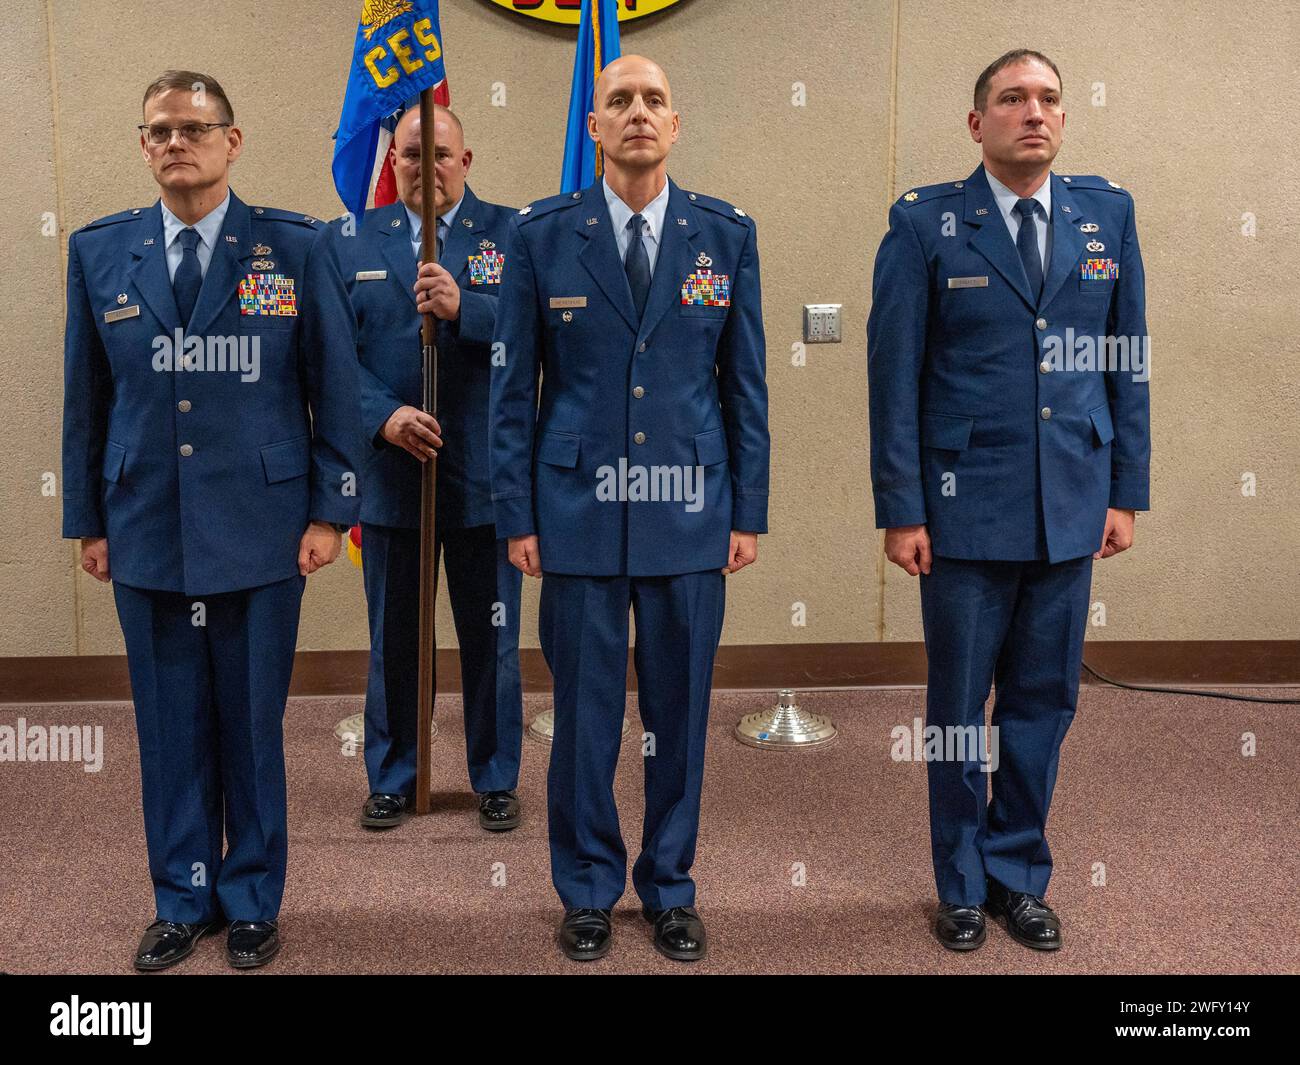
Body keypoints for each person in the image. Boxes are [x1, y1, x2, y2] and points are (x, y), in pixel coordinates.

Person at [460, 54, 769, 962]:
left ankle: (670, 886)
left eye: (654, 100)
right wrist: (515, 512)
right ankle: (588, 887)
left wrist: (745, 510)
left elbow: (744, 385)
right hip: (577, 512)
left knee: (677, 714)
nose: (638, 112)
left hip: (689, 510)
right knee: (587, 720)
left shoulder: (726, 235)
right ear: (593, 128)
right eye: (619, 101)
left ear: (675, 126)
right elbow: (514, 388)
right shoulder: (541, 235)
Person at [61, 70, 361, 970]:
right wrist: (89, 519)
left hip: (264, 524)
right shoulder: (100, 251)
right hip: (146, 520)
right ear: (142, 145)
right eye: (159, 130)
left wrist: (330, 511)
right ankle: (182, 896)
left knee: (249, 722)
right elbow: (87, 399)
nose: (175, 142)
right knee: (168, 724)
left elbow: (333, 387)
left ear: (234, 142)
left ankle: (253, 897)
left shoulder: (296, 248)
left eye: (195, 127)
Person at [867, 49, 1150, 951]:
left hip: (1071, 500)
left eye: (1049, 100)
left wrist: (1125, 490)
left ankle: (1016, 871)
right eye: (1013, 99)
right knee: (957, 708)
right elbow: (893, 378)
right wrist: (902, 507)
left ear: (1063, 120)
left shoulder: (1106, 213)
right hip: (960, 511)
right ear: (976, 123)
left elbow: (1124, 361)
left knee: (1042, 702)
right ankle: (958, 880)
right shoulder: (925, 225)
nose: (1035, 113)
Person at [334, 105, 523, 832]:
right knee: (394, 640)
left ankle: (496, 775)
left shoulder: (514, 236)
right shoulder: (349, 241)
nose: (426, 167)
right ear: (394, 162)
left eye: (441, 155)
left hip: (483, 474)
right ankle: (394, 773)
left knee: (492, 636)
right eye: (412, 155)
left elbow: (546, 340)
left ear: (466, 161)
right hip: (391, 478)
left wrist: (465, 308)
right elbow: (329, 358)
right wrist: (382, 416)